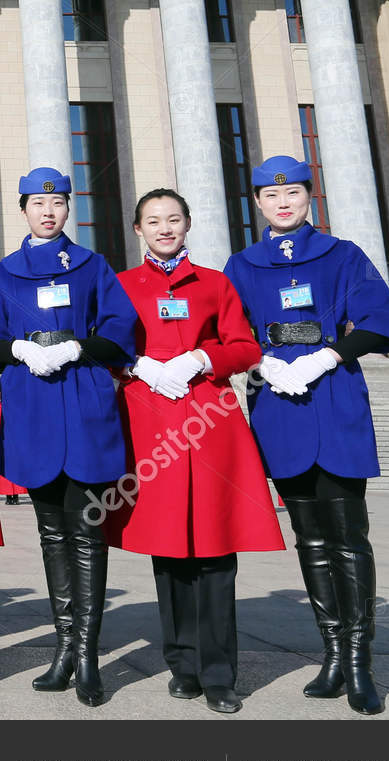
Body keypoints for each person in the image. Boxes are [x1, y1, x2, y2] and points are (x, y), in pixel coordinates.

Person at [223, 155, 389, 716]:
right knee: (310, 536)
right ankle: (331, 652)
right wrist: (262, 363)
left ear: (308, 198)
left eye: (295, 193)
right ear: (257, 203)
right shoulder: (242, 264)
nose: (284, 203)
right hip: (278, 400)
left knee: (349, 533)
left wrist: (328, 355)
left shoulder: (342, 254)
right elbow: (230, 332)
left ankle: (358, 661)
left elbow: (378, 321)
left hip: (333, 394)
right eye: (273, 197)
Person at [110, 188, 285, 714]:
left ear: (187, 225)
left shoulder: (214, 283)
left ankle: (219, 673)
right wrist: (140, 365)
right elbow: (108, 343)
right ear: (137, 229)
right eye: (154, 221)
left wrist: (201, 360)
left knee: (215, 552)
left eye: (174, 219)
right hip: (150, 421)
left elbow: (246, 345)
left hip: (210, 421)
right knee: (168, 551)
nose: (165, 229)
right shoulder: (120, 286)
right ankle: (181, 663)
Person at [0, 167, 135, 707]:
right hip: (33, 404)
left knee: (87, 532)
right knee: (51, 534)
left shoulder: (93, 267)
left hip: (84, 398)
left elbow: (120, 330)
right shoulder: (4, 273)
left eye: (59, 203)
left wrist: (76, 348)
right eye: (38, 204)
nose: (49, 212)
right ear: (22, 209)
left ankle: (88, 656)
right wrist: (21, 350)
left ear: (69, 209)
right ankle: (64, 648)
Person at [0, 385, 25, 505]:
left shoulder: (14, 404)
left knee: (15, 467)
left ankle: (16, 495)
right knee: (4, 467)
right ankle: (8, 495)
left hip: (14, 440)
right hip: (1, 441)